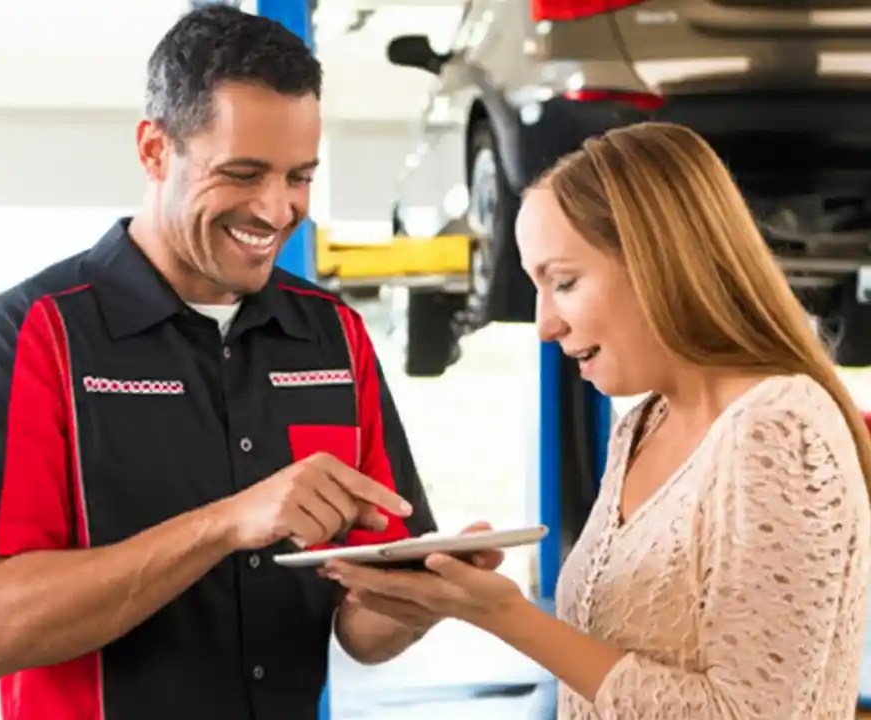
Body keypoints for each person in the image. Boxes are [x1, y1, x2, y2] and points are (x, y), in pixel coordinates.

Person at [0, 7, 444, 720]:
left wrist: (427, 594)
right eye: (243, 173)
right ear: (155, 151)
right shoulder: (34, 336)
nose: (277, 209)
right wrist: (225, 524)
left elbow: (362, 630)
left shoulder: (334, 338)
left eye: (299, 177)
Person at [320, 121, 871, 718]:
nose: (545, 325)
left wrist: (504, 615)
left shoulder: (777, 428)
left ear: (660, 262)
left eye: (564, 282)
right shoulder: (641, 427)